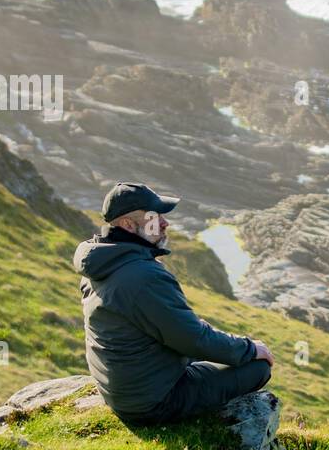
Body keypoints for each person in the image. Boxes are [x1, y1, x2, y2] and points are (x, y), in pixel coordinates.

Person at [73, 181, 274, 425]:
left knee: (213, 351)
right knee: (258, 367)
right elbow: (193, 339)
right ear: (127, 224)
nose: (165, 223)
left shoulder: (101, 262)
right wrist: (250, 349)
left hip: (123, 390)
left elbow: (174, 330)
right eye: (154, 217)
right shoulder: (143, 276)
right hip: (153, 402)